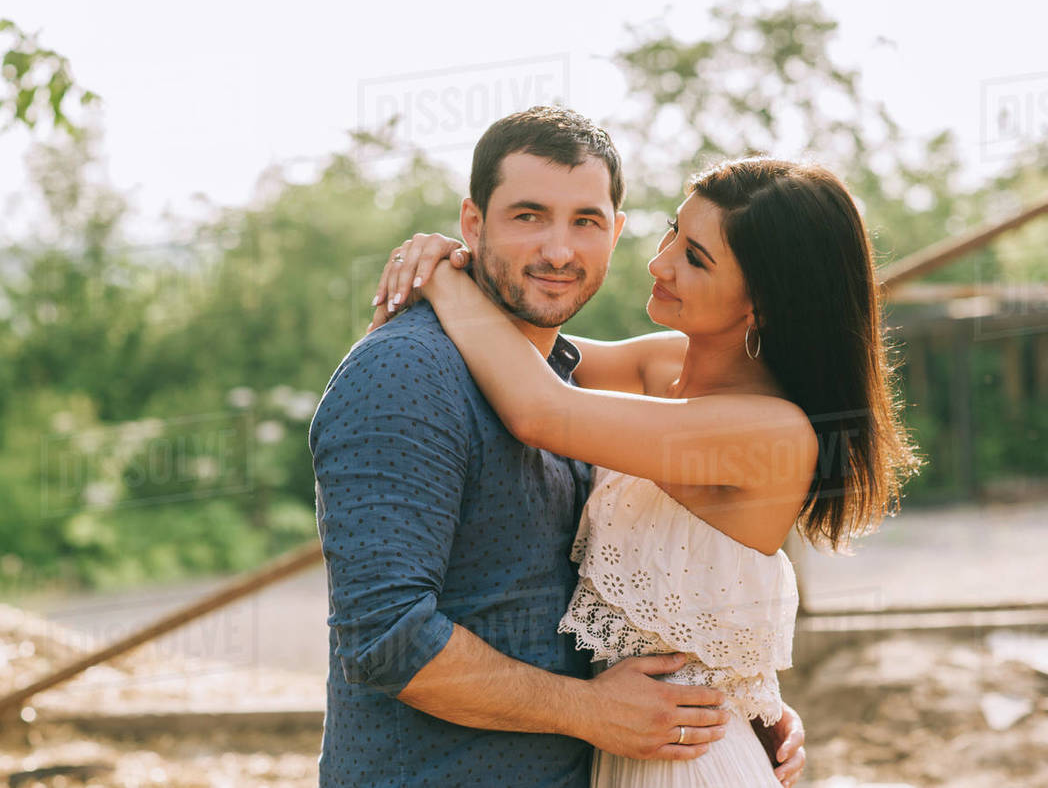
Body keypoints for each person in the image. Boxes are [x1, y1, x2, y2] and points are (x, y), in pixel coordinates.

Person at [370, 152, 922, 786]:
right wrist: (456, 256)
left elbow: (539, 409)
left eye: (696, 259)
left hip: (689, 763)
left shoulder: (768, 431)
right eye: (673, 233)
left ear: (764, 303)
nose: (660, 263)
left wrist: (442, 279)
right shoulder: (661, 366)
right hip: (635, 739)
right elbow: (528, 349)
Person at [310, 105, 807, 787]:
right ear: (472, 224)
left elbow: (544, 411)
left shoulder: (569, 388)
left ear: (614, 231)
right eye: (528, 216)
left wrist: (740, 697)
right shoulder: (408, 373)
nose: (558, 251)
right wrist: (590, 709)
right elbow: (386, 640)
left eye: (586, 222)